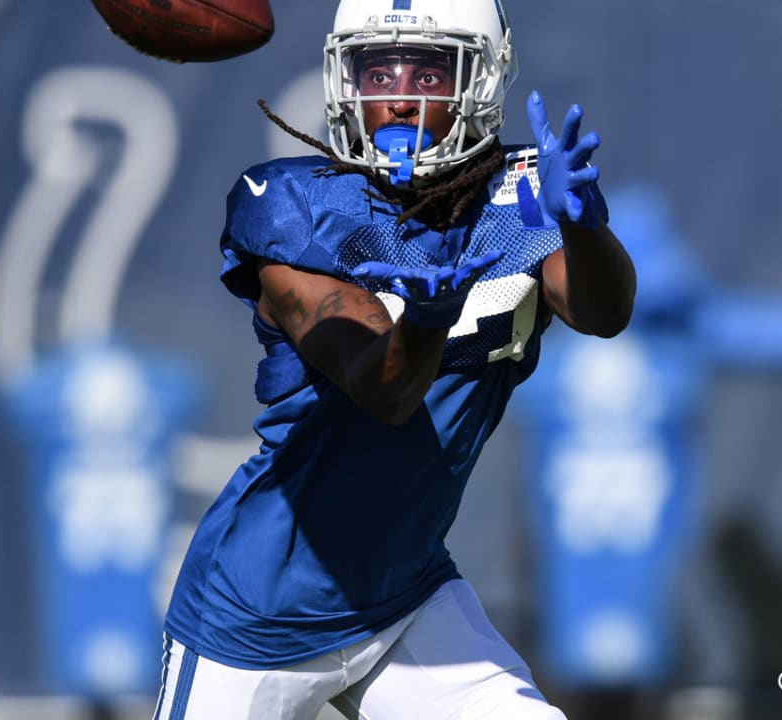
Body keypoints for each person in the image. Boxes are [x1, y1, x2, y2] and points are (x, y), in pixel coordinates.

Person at [156, 0, 636, 717]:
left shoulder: (525, 197)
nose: (400, 94)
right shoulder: (293, 210)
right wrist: (430, 321)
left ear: (482, 79)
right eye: (377, 71)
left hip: (406, 599)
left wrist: (583, 225)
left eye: (430, 71)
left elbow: (604, 315)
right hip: (254, 616)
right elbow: (382, 388)